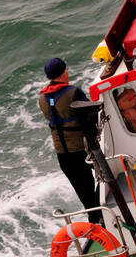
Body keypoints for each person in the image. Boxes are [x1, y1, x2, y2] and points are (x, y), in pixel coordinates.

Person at [38, 57, 102, 222]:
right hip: (82, 150)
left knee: (84, 193)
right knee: (104, 181)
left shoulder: (42, 98)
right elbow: (92, 116)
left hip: (63, 155)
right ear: (64, 72)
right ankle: (105, 217)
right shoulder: (73, 93)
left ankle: (96, 223)